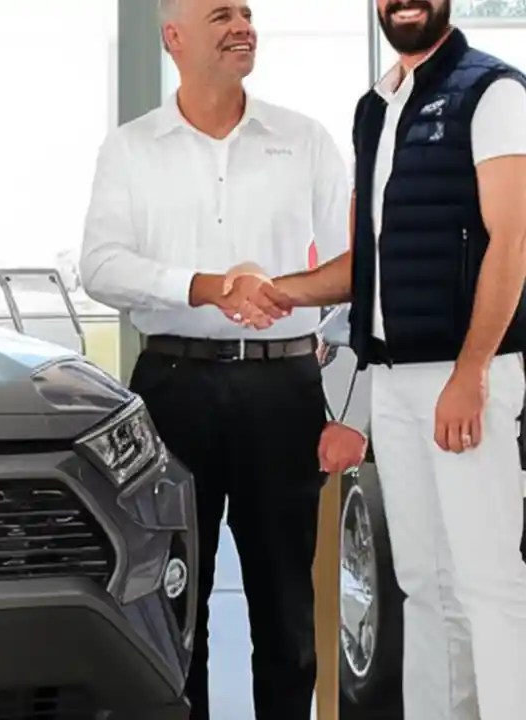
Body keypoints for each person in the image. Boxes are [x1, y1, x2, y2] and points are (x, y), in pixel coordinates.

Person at [228, 2, 526, 718]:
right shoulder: (376, 107)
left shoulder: (495, 93)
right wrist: (279, 292)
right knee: (424, 584)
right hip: (393, 380)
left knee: (487, 583)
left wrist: (472, 371)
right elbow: (370, 263)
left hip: (464, 377)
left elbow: (513, 240)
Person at [77, 1, 351, 717]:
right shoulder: (131, 149)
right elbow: (100, 266)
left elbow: (360, 262)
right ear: (174, 38)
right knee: (174, 602)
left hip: (284, 386)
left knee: (288, 605)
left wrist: (278, 293)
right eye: (222, 14)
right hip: (174, 389)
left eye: (249, 14)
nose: (243, 26)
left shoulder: (306, 140)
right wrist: (205, 286)